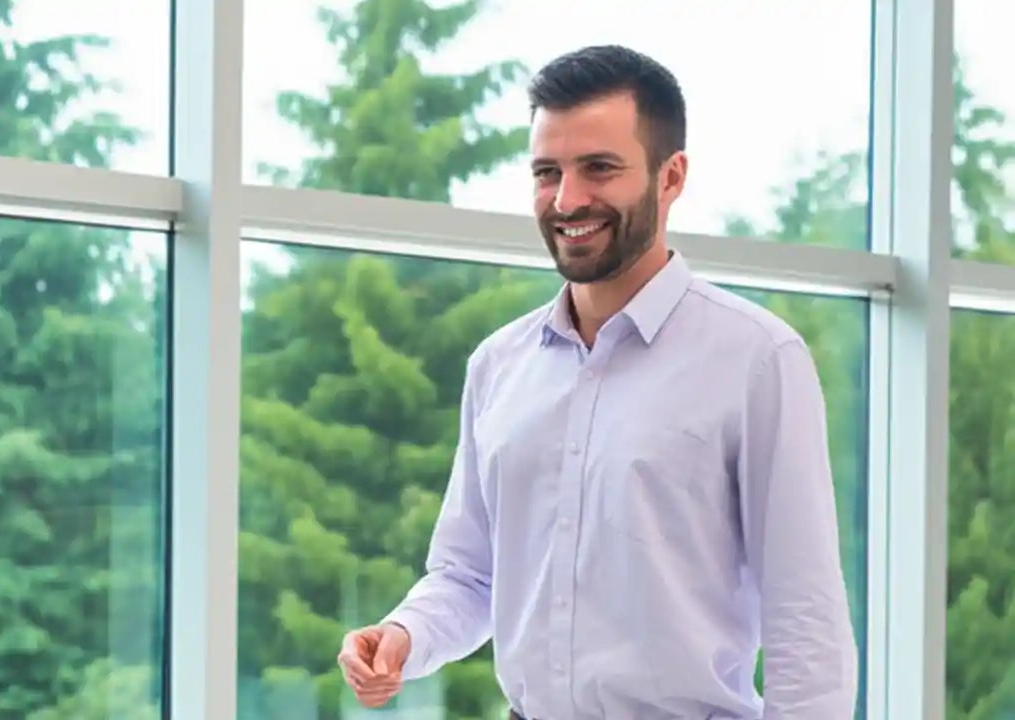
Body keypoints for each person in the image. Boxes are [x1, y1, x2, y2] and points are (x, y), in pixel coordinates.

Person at [335, 44, 859, 719]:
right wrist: (405, 636)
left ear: (671, 178)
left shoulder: (757, 359)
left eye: (599, 169)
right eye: (546, 172)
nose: (567, 199)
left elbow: (805, 620)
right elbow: (470, 574)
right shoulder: (498, 366)